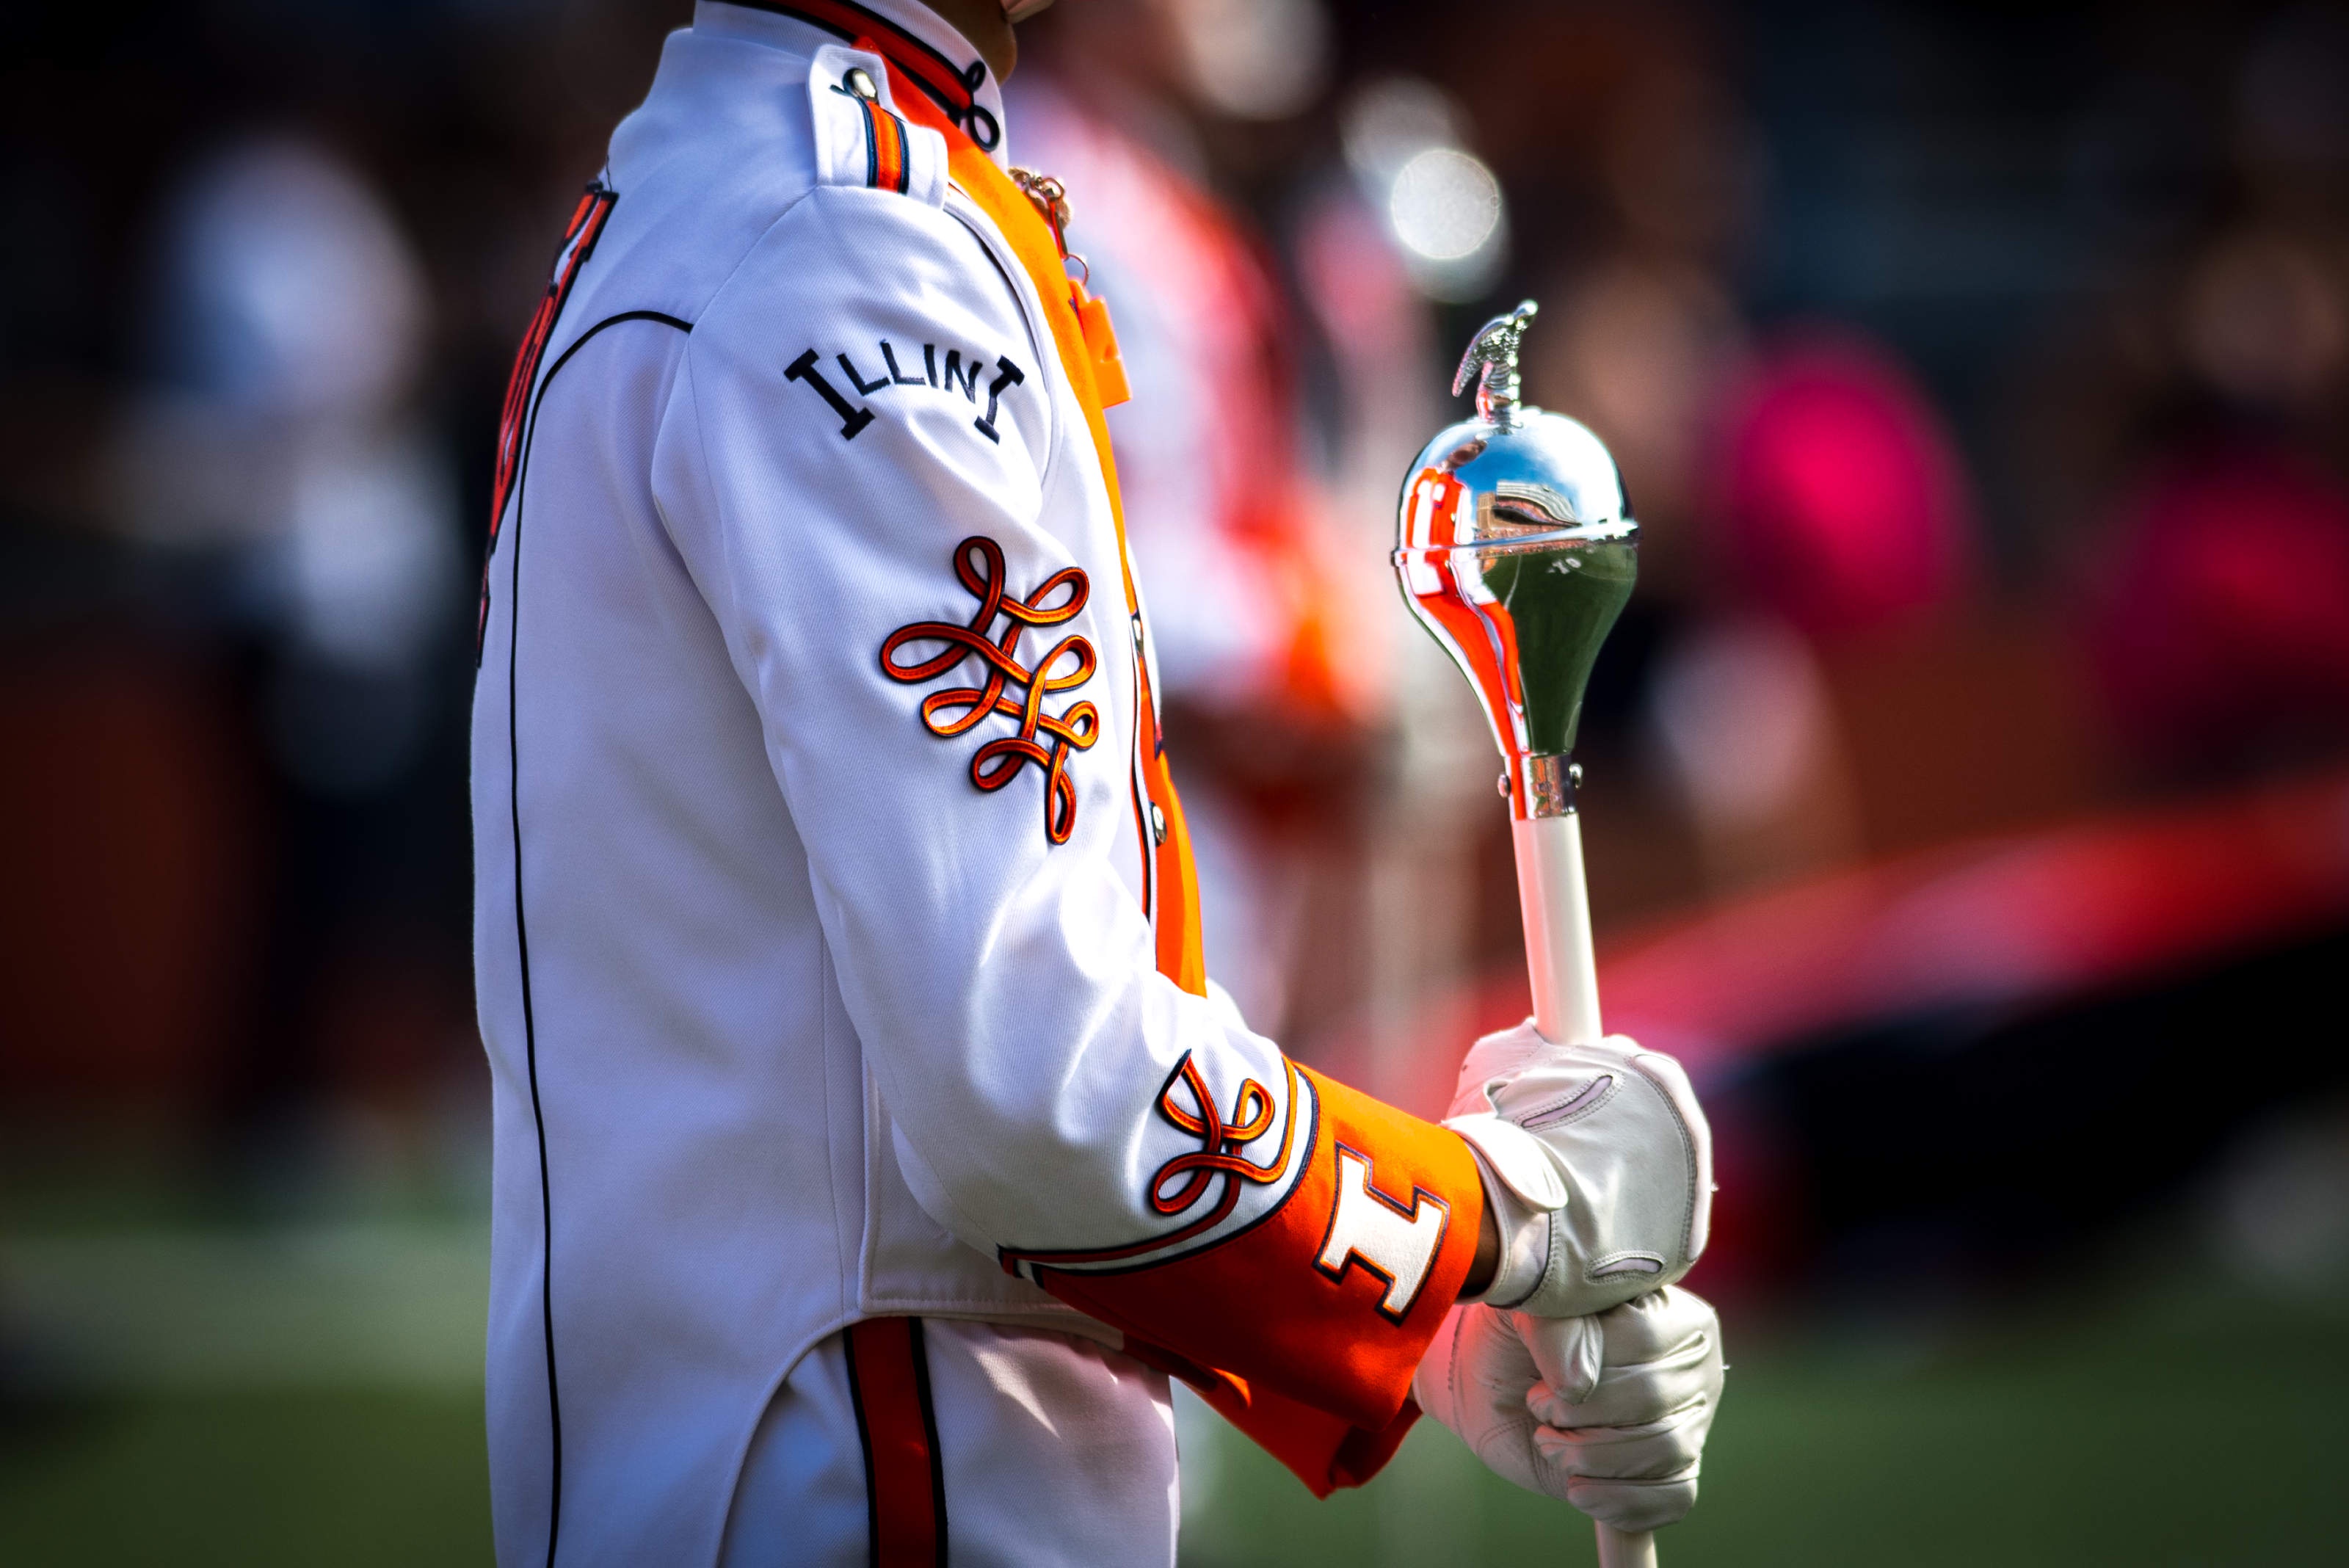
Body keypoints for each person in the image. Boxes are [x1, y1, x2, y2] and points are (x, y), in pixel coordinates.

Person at [470, 1, 1720, 1562]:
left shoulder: (755, 184)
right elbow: (1030, 1079)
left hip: (812, 1435)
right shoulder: (845, 244)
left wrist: (1425, 1335)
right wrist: (1494, 1223)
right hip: (883, 1474)